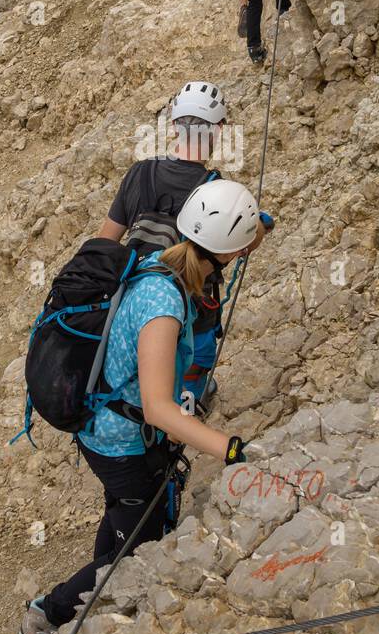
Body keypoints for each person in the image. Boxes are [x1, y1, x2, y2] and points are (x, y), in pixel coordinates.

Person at [20, 179, 262, 634]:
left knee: (122, 518)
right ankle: (48, 613)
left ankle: (88, 596)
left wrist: (254, 225)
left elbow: (236, 240)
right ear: (227, 254)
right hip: (123, 444)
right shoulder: (164, 304)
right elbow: (158, 409)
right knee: (137, 551)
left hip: (103, 431)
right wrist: (230, 450)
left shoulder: (165, 259)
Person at [97, 80, 271, 404]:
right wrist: (258, 224)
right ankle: (190, 400)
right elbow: (239, 247)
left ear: (175, 125)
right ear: (219, 131)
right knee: (192, 363)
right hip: (193, 308)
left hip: (135, 299)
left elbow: (105, 242)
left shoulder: (140, 173)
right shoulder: (213, 187)